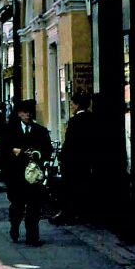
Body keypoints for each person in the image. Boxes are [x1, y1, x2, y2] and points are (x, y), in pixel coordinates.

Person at [0, 99, 53, 247]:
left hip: (34, 176)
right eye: (25, 112)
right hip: (15, 176)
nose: (28, 115)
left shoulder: (40, 130)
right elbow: (0, 149)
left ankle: (32, 237)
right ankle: (14, 227)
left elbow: (48, 150)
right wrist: (14, 151)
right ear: (19, 114)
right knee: (17, 206)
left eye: (30, 112)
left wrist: (38, 154)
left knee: (34, 207)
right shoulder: (10, 130)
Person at [52, 92, 95, 225]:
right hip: (87, 160)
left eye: (72, 103)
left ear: (77, 105)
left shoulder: (75, 120)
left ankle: (69, 213)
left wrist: (62, 156)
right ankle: (84, 213)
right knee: (84, 186)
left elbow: (70, 142)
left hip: (73, 160)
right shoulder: (92, 118)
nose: (70, 105)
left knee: (70, 188)